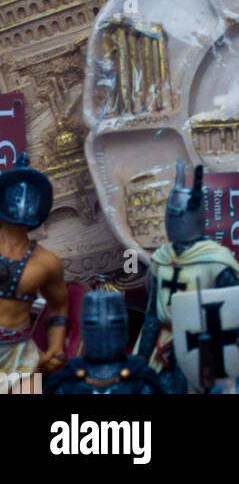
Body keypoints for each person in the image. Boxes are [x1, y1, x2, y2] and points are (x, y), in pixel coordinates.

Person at [135, 162, 239, 393]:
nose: (175, 222)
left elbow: (235, 318)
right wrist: (140, 359)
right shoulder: (161, 259)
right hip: (163, 348)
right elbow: (152, 316)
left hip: (202, 349)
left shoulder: (215, 261)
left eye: (180, 216)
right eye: (172, 216)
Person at [0, 153, 67, 391]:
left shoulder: (47, 263)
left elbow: (59, 308)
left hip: (21, 356)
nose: (22, 202)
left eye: (29, 197)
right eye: (17, 195)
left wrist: (56, 348)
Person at [45, 290, 164, 395]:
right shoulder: (67, 379)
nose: (103, 332)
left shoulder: (140, 379)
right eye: (92, 325)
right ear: (83, 329)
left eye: (115, 324)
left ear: (125, 328)